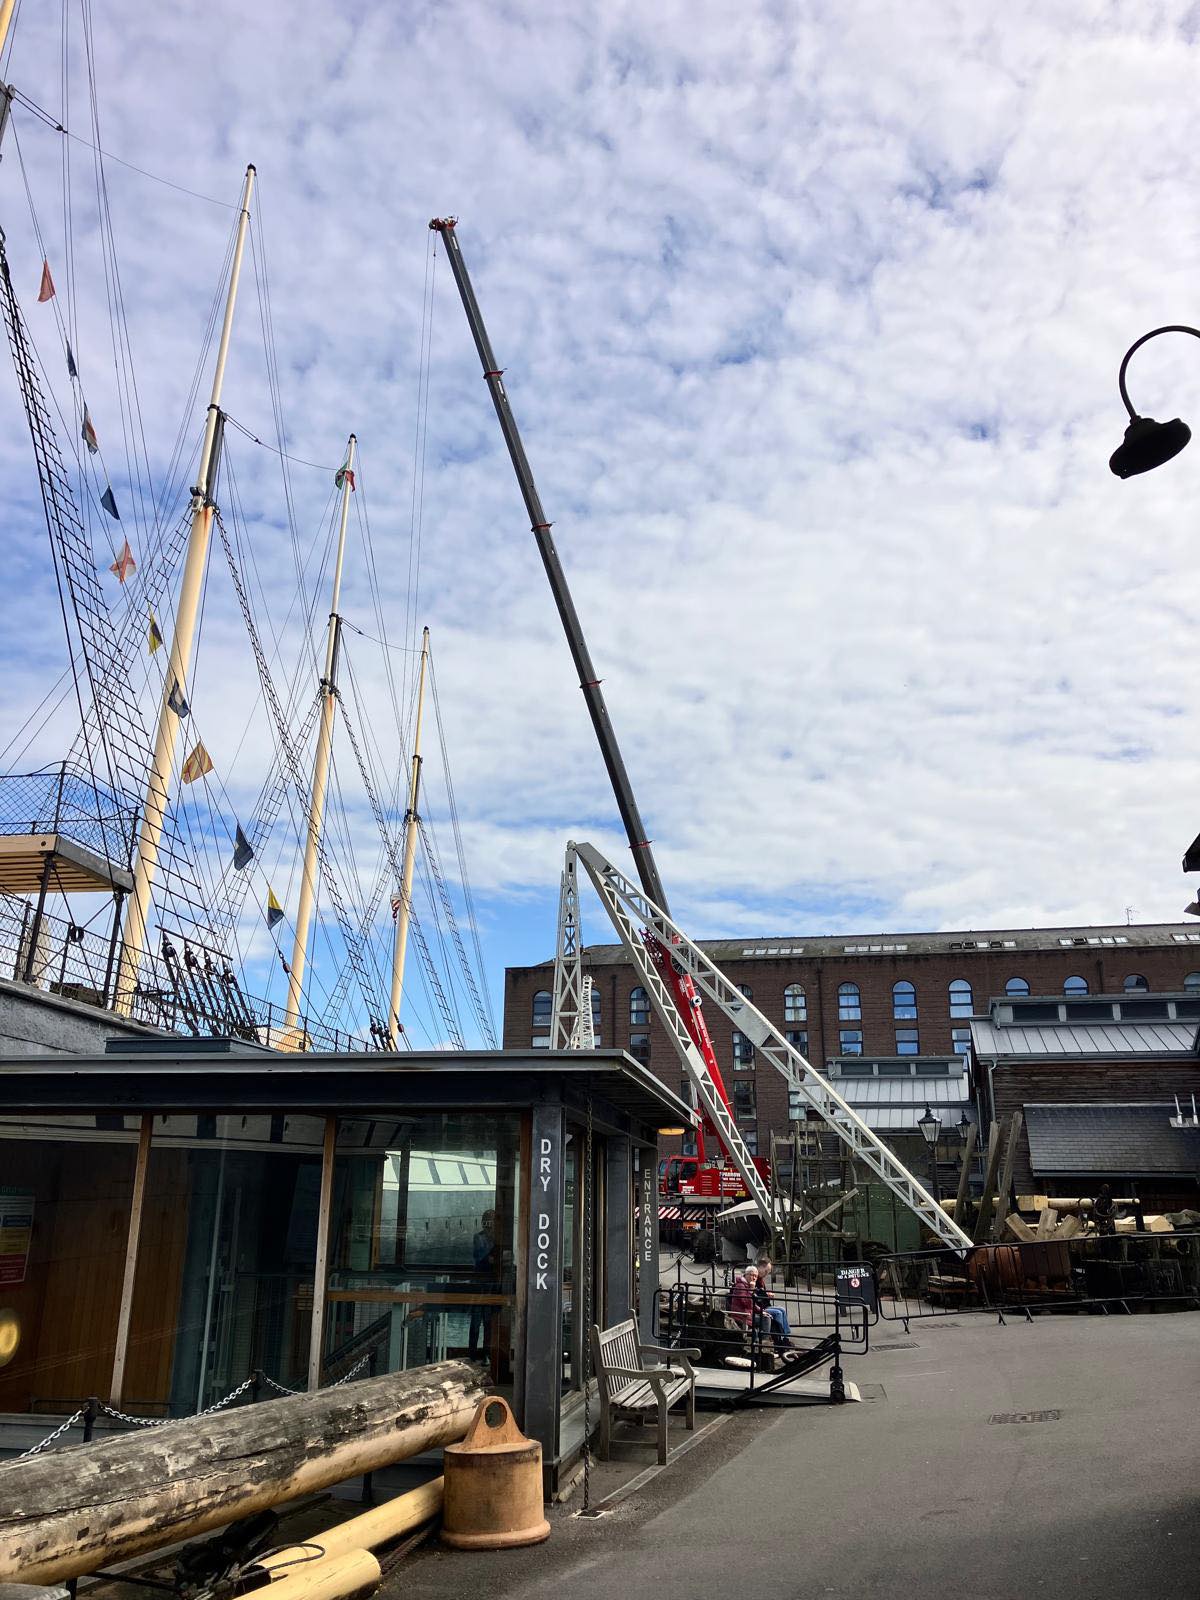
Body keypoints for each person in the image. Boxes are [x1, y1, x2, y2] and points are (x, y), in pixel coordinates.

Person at [468, 1209, 497, 1361]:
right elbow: (479, 1256)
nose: (490, 1224)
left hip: (491, 1285)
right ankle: (472, 1354)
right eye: (488, 1221)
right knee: (476, 1321)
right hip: (480, 1284)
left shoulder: (496, 1238)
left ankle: (486, 1353)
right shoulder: (479, 1237)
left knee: (488, 1322)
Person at [753, 1257, 793, 1351]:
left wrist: (766, 1294)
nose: (767, 1274)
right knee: (778, 1313)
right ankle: (779, 1339)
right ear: (761, 1268)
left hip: (763, 1304)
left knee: (782, 1310)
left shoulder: (760, 1279)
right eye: (766, 1271)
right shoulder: (755, 1278)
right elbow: (756, 1293)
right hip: (760, 1306)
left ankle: (785, 1337)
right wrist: (766, 1294)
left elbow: (759, 1292)